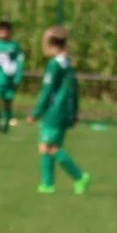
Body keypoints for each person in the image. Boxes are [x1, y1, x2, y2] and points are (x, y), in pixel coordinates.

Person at [34, 26, 91, 195]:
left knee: (48, 147)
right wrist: (74, 112)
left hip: (54, 111)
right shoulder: (68, 64)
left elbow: (47, 91)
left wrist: (37, 112)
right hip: (64, 110)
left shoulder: (54, 65)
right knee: (48, 146)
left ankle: (79, 176)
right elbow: (74, 90)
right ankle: (47, 184)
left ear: (51, 44)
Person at [0, 21, 25, 134]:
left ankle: (6, 125)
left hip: (9, 78)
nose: (3, 32)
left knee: (7, 102)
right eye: (0, 30)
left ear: (10, 32)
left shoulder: (15, 46)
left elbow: (20, 61)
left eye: (5, 30)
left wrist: (18, 76)